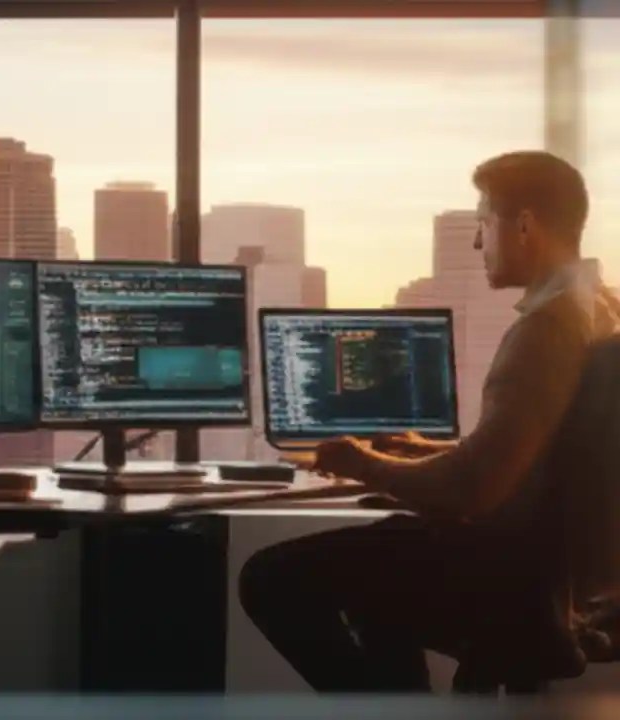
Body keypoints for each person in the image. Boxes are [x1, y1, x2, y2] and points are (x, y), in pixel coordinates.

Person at [238, 150, 620, 692]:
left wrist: (363, 463)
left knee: (269, 579)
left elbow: (473, 488)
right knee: (382, 571)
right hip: (545, 576)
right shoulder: (597, 309)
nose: (476, 242)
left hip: (508, 580)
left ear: (526, 225)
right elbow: (530, 455)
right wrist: (419, 452)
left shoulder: (544, 331)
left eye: (483, 223)